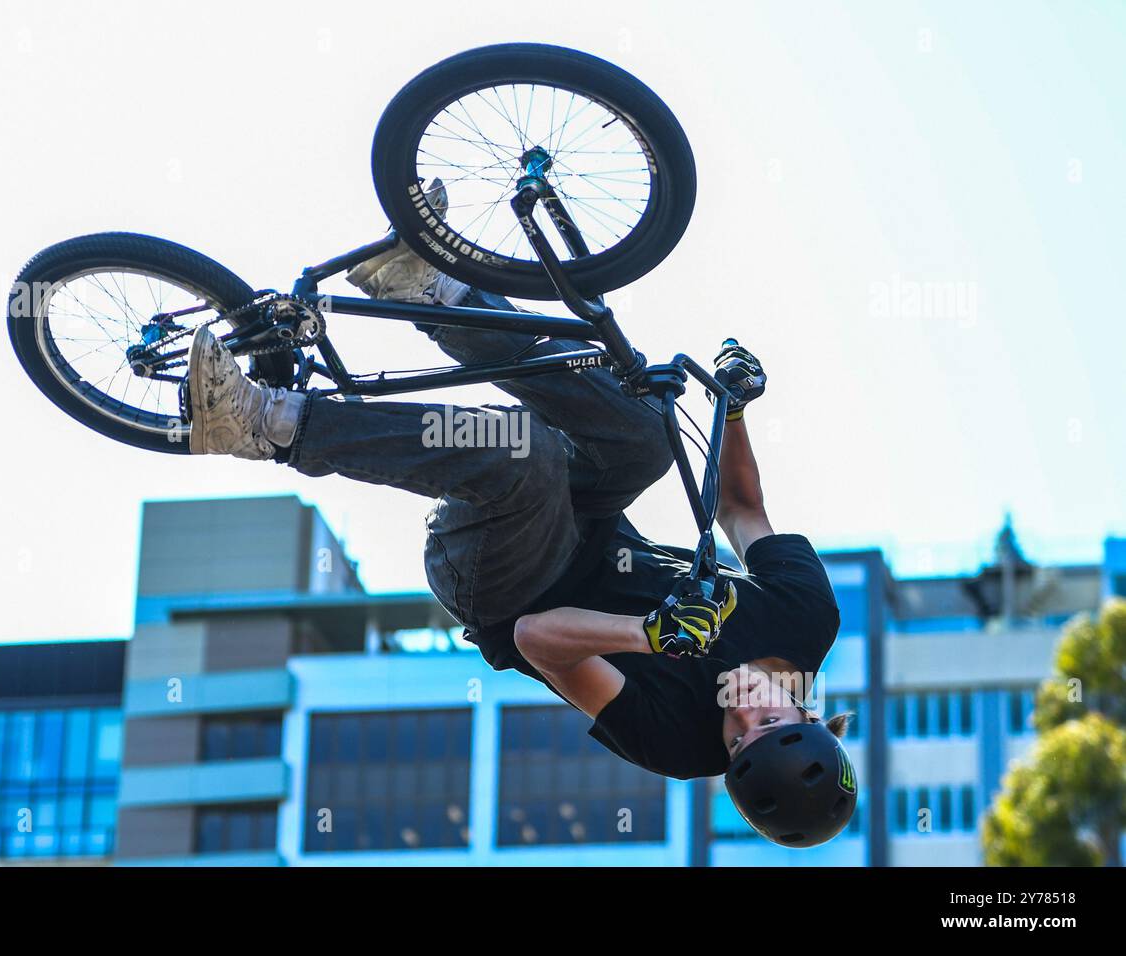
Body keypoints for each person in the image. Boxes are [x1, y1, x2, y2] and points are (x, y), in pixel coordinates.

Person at [184, 183, 857, 847]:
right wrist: (734, 410)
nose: (738, 712)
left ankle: (268, 425)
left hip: (504, 585)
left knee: (523, 455)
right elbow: (743, 510)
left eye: (736, 737)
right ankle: (429, 289)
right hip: (587, 521)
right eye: (765, 718)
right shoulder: (805, 617)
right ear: (812, 712)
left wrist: (648, 634)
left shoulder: (675, 741)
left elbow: (538, 639)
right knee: (648, 438)